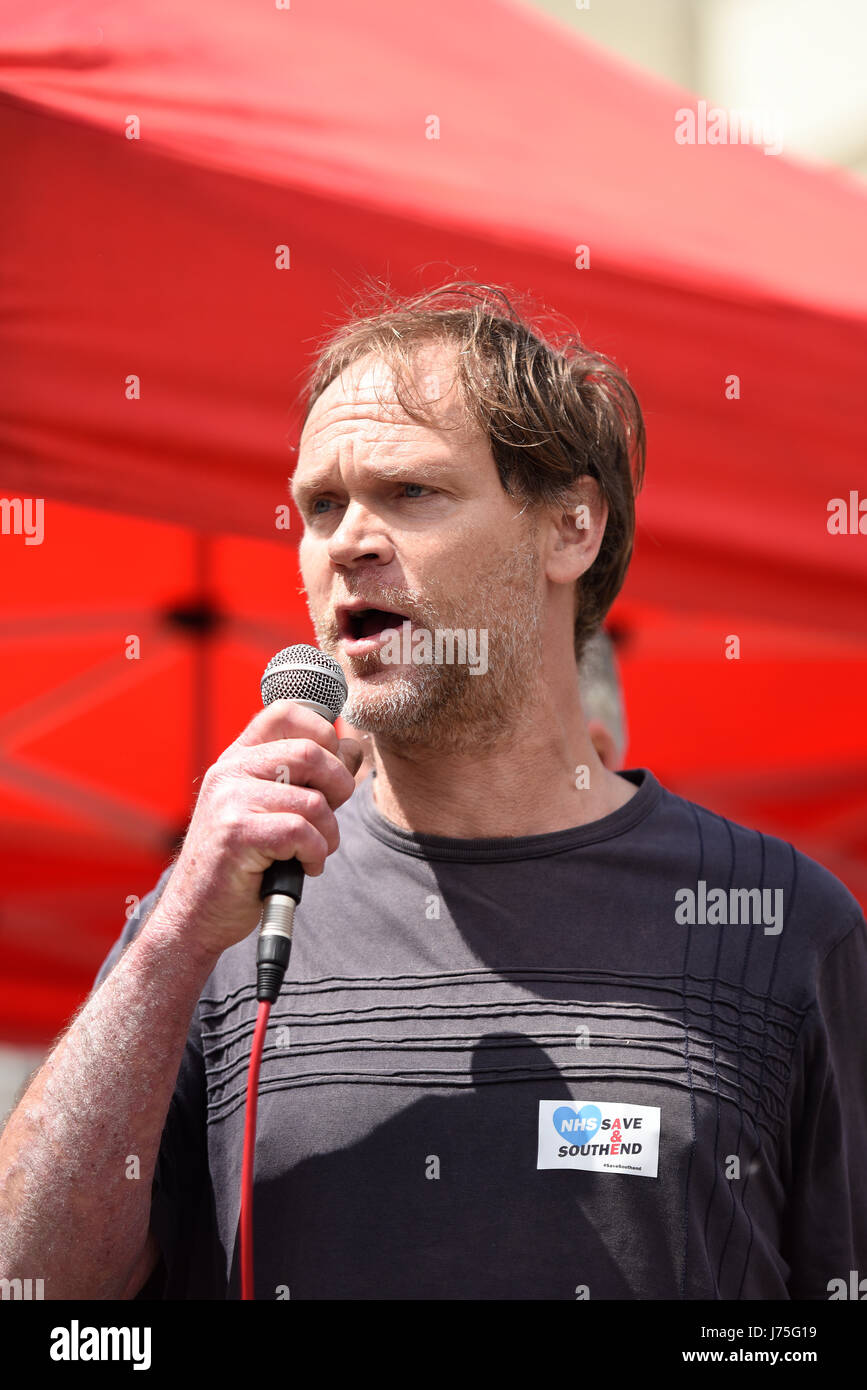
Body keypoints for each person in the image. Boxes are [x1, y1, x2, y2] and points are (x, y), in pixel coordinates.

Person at [1, 280, 865, 1301]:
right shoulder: (220, 917)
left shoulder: (778, 923)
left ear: (571, 529)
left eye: (411, 492)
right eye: (320, 505)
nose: (348, 541)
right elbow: (30, 1288)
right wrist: (178, 930)